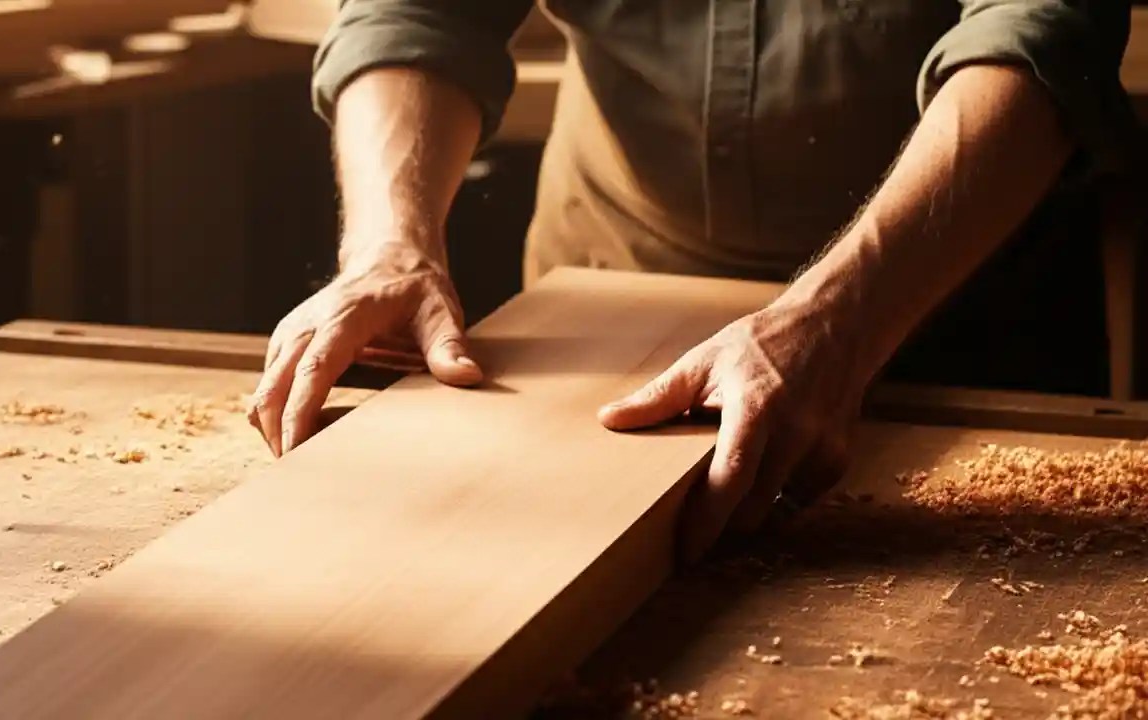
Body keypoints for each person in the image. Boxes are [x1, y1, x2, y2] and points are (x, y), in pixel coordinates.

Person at [248, 1, 1137, 559]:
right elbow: (420, 15)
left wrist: (841, 320)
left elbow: (1036, 37)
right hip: (608, 302)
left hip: (940, 304)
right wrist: (388, 245)